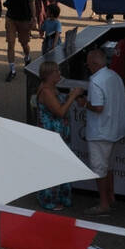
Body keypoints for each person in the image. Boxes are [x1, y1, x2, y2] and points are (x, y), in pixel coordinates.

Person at [82, 47, 125, 217]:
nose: (87, 66)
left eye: (88, 64)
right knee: (109, 167)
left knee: (99, 169)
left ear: (94, 63)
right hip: (115, 129)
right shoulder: (114, 76)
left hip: (101, 131)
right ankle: (110, 197)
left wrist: (83, 103)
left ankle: (103, 204)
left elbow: (98, 107)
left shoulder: (95, 81)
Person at [35, 60, 84, 211]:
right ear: (49, 75)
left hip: (60, 135)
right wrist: (73, 96)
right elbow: (60, 112)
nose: (60, 74)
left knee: (62, 165)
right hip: (52, 136)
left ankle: (62, 196)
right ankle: (49, 199)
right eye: (57, 71)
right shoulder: (46, 91)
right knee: (53, 167)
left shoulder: (52, 88)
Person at [3, 0, 36, 82]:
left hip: (24, 19)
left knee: (24, 43)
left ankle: (27, 57)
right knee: (10, 44)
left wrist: (33, 18)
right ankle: (12, 70)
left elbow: (32, 2)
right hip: (10, 18)